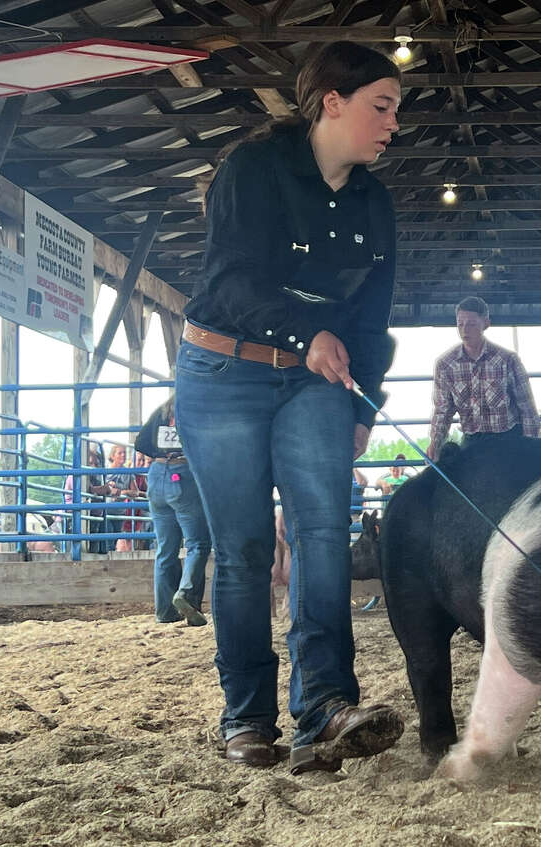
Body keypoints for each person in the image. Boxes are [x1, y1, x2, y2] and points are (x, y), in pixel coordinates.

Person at [174, 42, 404, 773]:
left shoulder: (377, 204)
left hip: (316, 379)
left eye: (396, 109)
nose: (393, 124)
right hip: (223, 370)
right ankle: (247, 717)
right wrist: (308, 333)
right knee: (241, 548)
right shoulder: (253, 172)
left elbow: (372, 318)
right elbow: (232, 282)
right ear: (331, 101)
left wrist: (364, 403)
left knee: (322, 533)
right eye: (382, 105)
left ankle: (325, 707)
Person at [427, 296, 541, 459]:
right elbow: (443, 410)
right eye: (460, 324)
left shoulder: (507, 359)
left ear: (486, 324)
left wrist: (531, 447)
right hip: (473, 440)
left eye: (471, 324)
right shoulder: (445, 364)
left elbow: (527, 408)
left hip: (509, 437)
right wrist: (435, 443)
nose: (465, 330)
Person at [136, 398, 212, 627]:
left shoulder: (161, 411)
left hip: (156, 474)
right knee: (197, 543)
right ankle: (186, 595)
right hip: (183, 473)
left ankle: (165, 611)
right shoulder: (194, 407)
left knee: (165, 548)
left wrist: (161, 454)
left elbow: (140, 442)